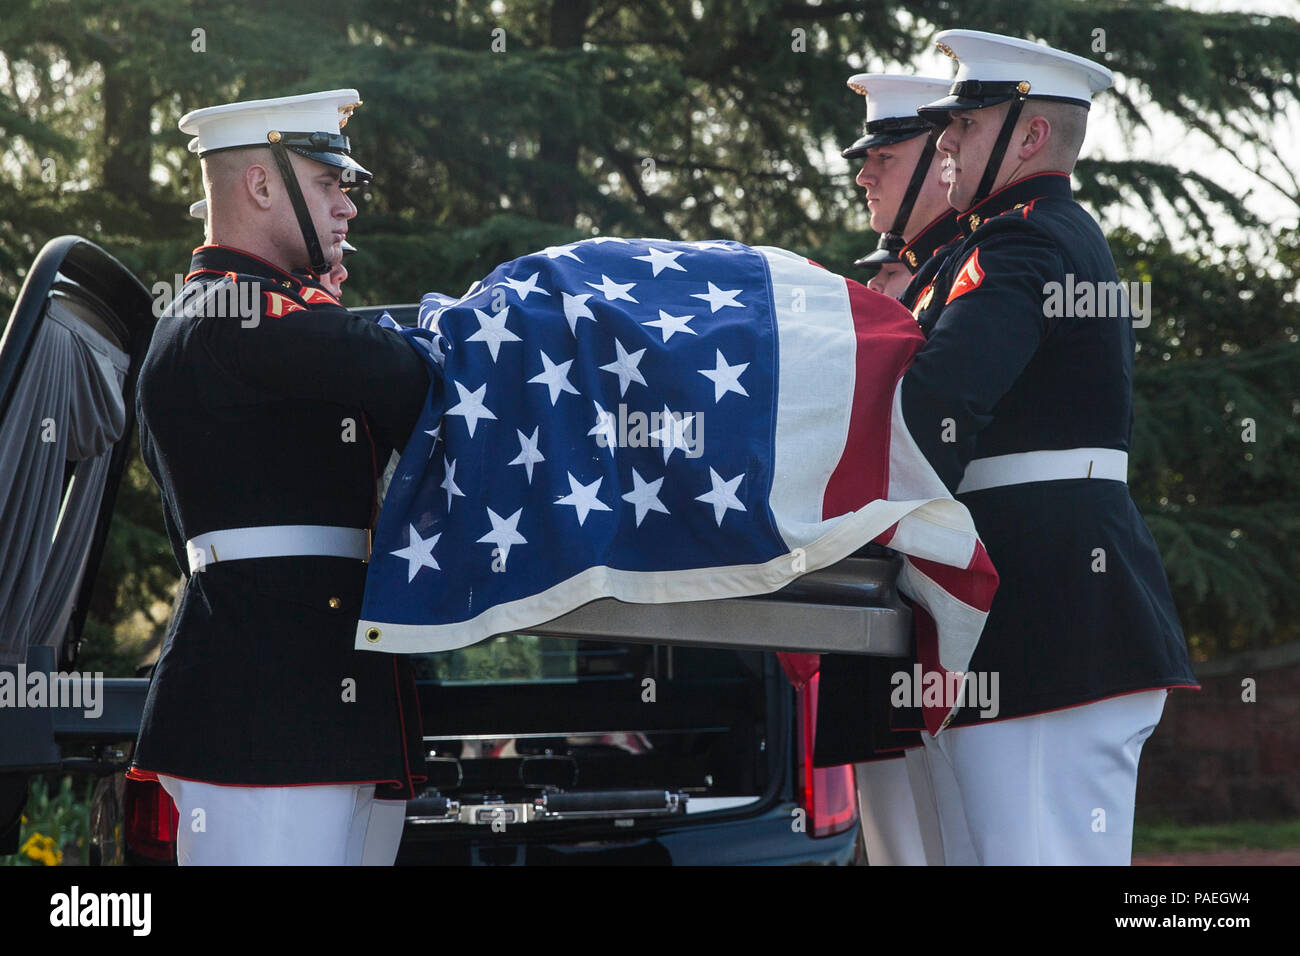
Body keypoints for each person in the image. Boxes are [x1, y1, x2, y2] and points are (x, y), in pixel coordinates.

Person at [896, 30, 1199, 865]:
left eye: (967, 121)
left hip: (1050, 612)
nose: (946, 140)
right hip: (1035, 615)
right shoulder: (999, 240)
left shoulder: (1025, 240)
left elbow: (939, 400)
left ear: (1031, 136)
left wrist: (834, 501)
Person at [128, 89, 435, 865]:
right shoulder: (231, 312)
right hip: (264, 713)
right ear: (261, 187)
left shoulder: (271, 315)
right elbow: (398, 371)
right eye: (330, 185)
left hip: (320, 708)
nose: (348, 209)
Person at [813, 73, 955, 867]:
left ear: (945, 158)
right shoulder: (946, 270)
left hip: (934, 633)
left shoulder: (980, 271)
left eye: (884, 154)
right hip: (884, 628)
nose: (864, 171)